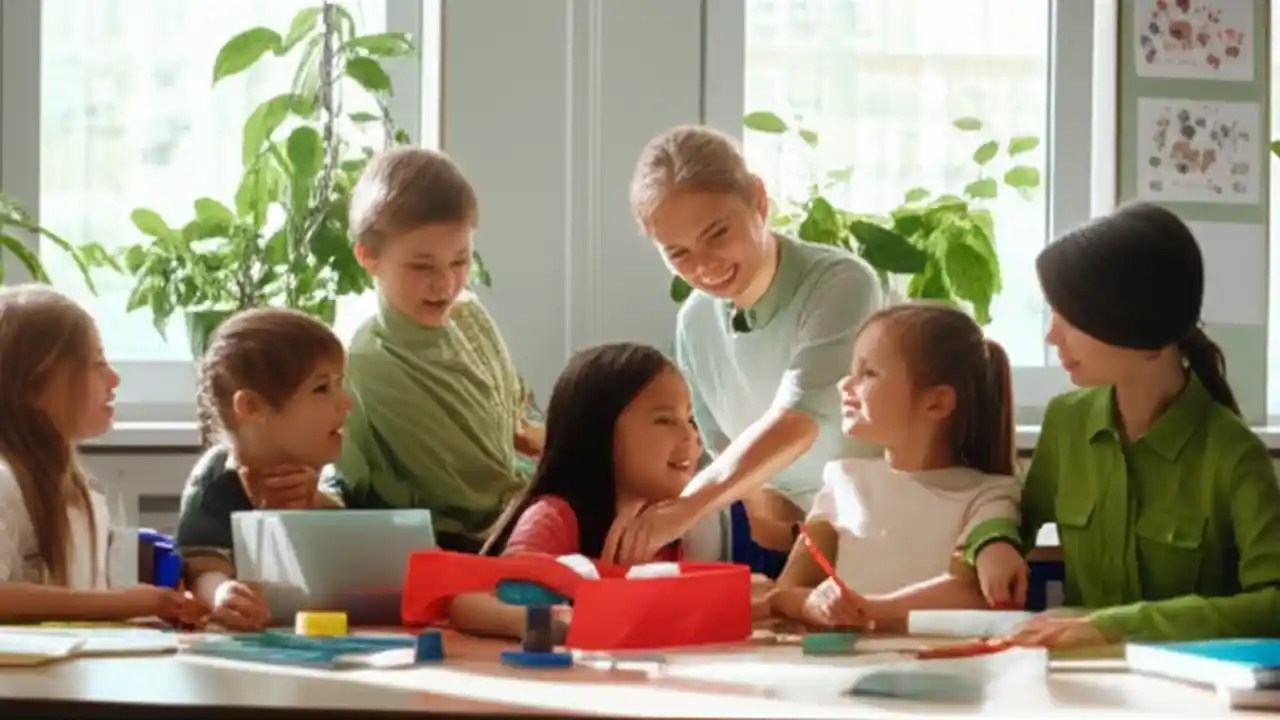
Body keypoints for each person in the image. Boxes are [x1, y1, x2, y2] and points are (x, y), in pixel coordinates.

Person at [973, 202, 1280, 647]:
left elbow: (1273, 603)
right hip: (1082, 685)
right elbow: (1014, 512)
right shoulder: (1066, 421)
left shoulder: (1234, 456)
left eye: (1073, 318)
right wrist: (994, 540)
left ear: (1148, 340)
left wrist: (1119, 626)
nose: (1052, 335)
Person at [616, 124, 882, 569]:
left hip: (873, 531)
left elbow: (800, 419)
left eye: (717, 233)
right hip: (784, 540)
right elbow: (719, 445)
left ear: (758, 200)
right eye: (678, 253)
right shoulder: (695, 322)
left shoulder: (840, 283)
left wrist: (687, 507)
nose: (704, 266)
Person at [451, 343, 777, 639]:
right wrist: (538, 622)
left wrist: (783, 601)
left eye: (690, 419)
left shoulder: (679, 528)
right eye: (665, 420)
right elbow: (471, 601)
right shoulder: (556, 518)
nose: (691, 436)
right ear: (599, 433)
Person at [335, 146, 542, 553]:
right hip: (435, 541)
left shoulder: (471, 318)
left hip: (516, 518)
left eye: (460, 261)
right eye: (422, 266)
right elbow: (348, 479)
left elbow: (517, 420)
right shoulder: (361, 361)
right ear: (368, 256)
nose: (445, 284)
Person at [768, 304, 1020, 632]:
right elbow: (784, 592)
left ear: (937, 402)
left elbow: (976, 594)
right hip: (849, 673)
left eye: (868, 373)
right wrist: (812, 604)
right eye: (851, 370)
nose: (845, 384)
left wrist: (873, 609)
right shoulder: (842, 481)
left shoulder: (991, 495)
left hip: (948, 671)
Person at [0, 285, 204, 623]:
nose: (114, 378)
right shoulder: (5, 484)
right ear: (34, 386)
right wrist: (120, 604)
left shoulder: (82, 496)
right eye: (96, 364)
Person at [175, 308, 350, 630]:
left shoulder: (332, 475)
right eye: (322, 388)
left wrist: (317, 506)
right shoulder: (217, 480)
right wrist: (222, 594)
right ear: (252, 408)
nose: (346, 403)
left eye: (340, 384)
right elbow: (202, 567)